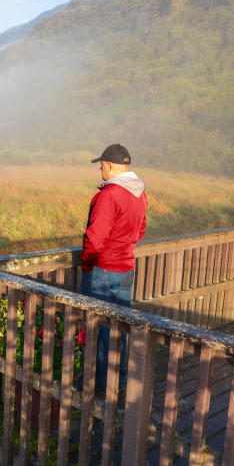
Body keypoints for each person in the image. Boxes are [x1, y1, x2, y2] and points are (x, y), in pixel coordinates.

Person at [80, 143, 147, 396]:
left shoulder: (109, 195)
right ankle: (116, 384)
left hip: (104, 269)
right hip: (126, 267)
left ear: (109, 166)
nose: (100, 169)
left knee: (100, 330)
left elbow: (94, 239)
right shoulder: (140, 193)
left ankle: (100, 391)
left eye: (101, 165)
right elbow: (139, 231)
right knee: (119, 329)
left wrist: (87, 264)